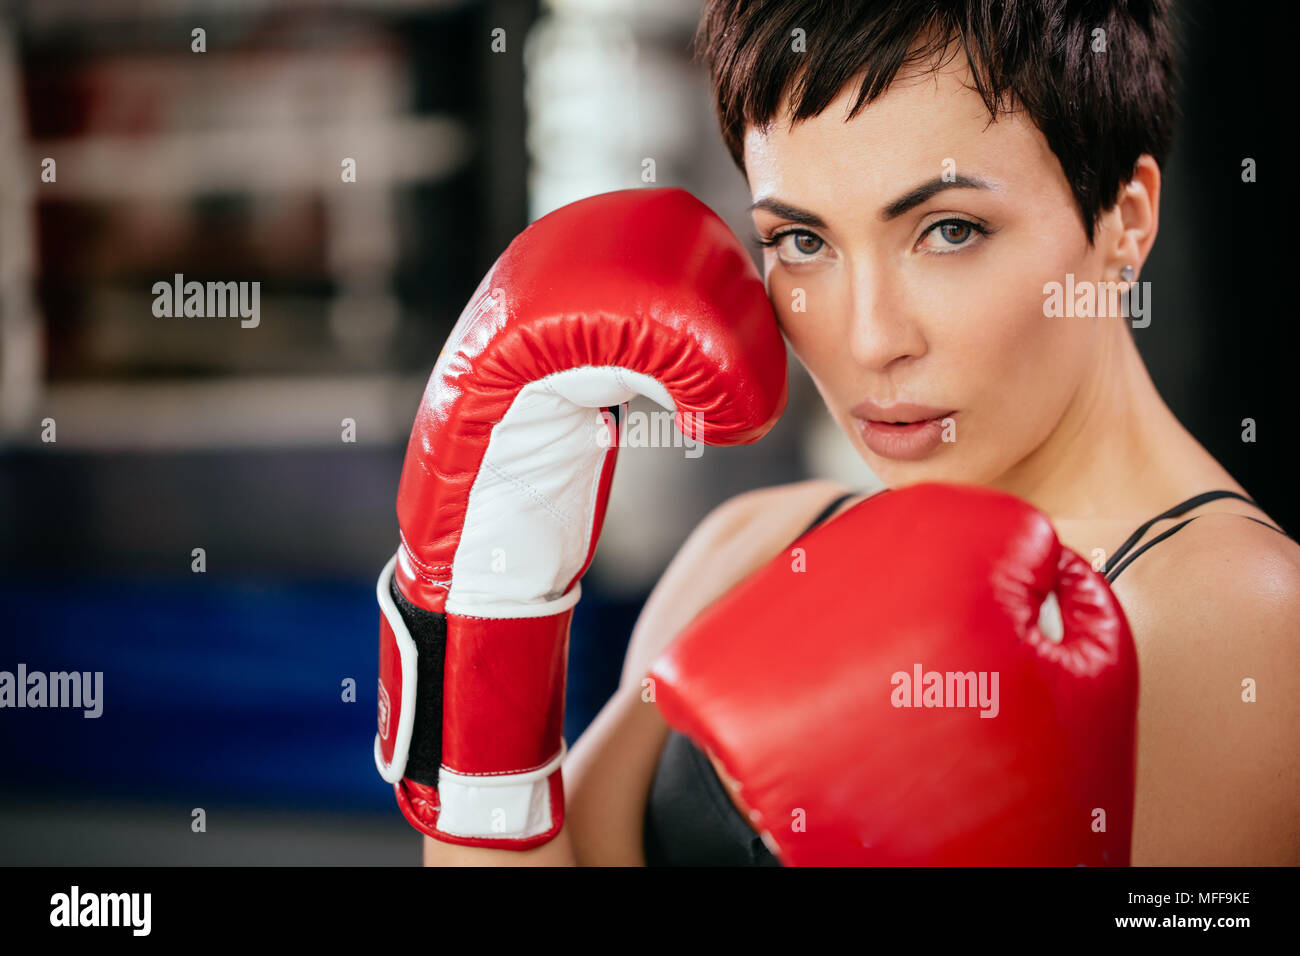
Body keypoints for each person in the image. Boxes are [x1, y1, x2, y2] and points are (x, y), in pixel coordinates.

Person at [414, 0, 1300, 865]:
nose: (872, 339)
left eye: (949, 230)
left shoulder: (1242, 622)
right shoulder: (755, 548)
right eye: (802, 241)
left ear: (1126, 220)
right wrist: (491, 612)